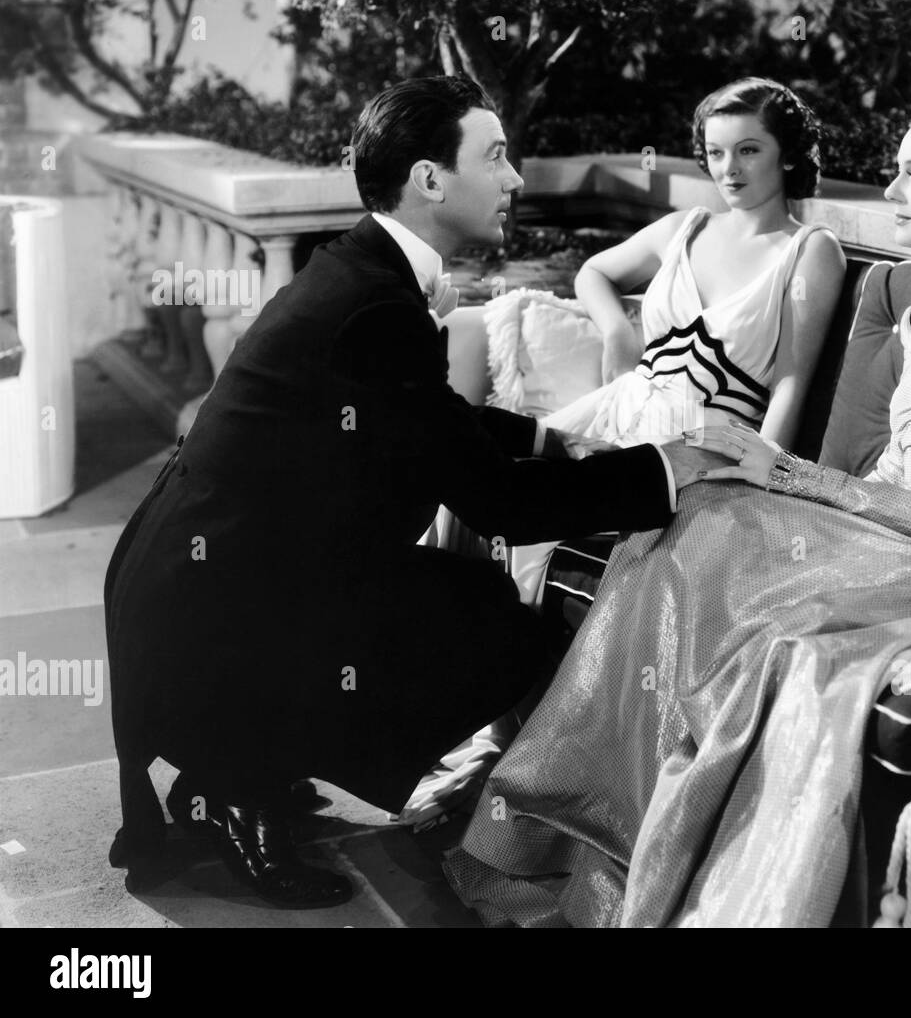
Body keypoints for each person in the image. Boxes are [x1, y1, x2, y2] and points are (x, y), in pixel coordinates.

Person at [443, 101, 911, 927]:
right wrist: (776, 480)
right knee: (693, 511)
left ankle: (651, 848)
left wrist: (789, 474)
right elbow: (892, 464)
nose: (890, 186)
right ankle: (601, 828)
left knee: (719, 539)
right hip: (871, 524)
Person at [103, 76, 721, 907]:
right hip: (211, 608)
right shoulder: (376, 304)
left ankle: (250, 757)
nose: (513, 179)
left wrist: (553, 434)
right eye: (495, 156)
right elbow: (499, 501)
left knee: (462, 595)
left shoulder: (365, 267)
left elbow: (428, 424)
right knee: (494, 629)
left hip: (205, 577)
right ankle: (233, 784)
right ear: (431, 179)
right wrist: (665, 470)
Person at [507, 78, 845, 605]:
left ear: (787, 156)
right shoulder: (684, 228)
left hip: (701, 443)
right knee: (489, 486)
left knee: (553, 513)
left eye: (748, 150)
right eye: (715, 152)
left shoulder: (809, 251)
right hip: (618, 407)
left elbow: (791, 379)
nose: (728, 168)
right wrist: (619, 332)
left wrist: (765, 475)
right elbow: (593, 272)